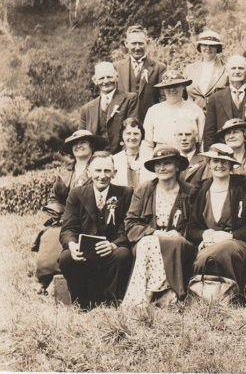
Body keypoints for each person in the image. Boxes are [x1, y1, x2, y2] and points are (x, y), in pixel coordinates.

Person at [33, 130, 108, 293]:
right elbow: (55, 198)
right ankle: (45, 279)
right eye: (75, 144)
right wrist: (59, 213)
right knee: (50, 235)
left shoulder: (100, 168)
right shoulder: (64, 173)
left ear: (92, 146)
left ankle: (59, 281)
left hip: (91, 218)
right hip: (66, 218)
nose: (78, 146)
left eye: (83, 142)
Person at [58, 152, 133, 310]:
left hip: (111, 250)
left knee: (123, 254)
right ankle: (82, 304)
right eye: (97, 171)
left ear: (114, 173)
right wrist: (72, 245)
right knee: (66, 258)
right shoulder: (77, 194)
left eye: (107, 171)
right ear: (89, 172)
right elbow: (68, 228)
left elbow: (128, 227)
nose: (102, 176)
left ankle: (112, 303)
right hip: (85, 251)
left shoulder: (125, 194)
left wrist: (113, 245)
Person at [123, 147, 196, 307]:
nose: (162, 168)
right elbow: (130, 223)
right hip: (147, 243)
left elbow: (197, 224)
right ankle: (161, 295)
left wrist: (180, 234)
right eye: (158, 164)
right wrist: (155, 233)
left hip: (179, 244)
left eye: (167, 163)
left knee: (167, 243)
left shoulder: (190, 192)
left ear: (177, 166)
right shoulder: (144, 190)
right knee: (148, 243)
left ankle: (146, 296)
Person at [186, 144, 246, 294]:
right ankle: (206, 294)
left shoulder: (243, 189)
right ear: (209, 164)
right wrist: (206, 235)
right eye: (215, 161)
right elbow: (191, 228)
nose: (220, 165)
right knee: (205, 253)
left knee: (225, 250)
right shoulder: (200, 191)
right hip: (208, 243)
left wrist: (230, 236)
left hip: (238, 244)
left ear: (231, 165)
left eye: (225, 162)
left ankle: (232, 293)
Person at [203, 55, 246, 157]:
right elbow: (209, 133)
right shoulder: (215, 99)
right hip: (223, 157)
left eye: (241, 68)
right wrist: (212, 157)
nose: (237, 71)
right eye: (233, 68)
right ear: (226, 72)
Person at [141, 70, 205, 162]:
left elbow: (202, 141)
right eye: (168, 87)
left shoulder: (195, 110)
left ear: (183, 87)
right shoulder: (154, 111)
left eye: (176, 86)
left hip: (188, 158)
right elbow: (147, 144)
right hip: (161, 158)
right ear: (163, 89)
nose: (172, 90)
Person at [79, 62, 138, 153]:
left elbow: (133, 130)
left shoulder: (130, 99)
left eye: (109, 77)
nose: (106, 81)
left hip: (122, 156)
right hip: (95, 160)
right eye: (101, 78)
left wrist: (122, 157)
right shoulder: (86, 109)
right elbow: (81, 139)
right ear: (95, 80)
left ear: (116, 77)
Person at [113, 25, 167, 122]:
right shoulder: (116, 67)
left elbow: (164, 99)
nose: (137, 48)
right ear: (126, 44)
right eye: (133, 43)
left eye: (141, 43)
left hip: (150, 122)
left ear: (147, 43)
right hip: (123, 123)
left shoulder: (159, 68)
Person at [202, 119, 246, 190]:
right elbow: (205, 187)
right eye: (228, 133)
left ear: (245, 135)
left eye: (236, 132)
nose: (231, 136)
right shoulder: (215, 162)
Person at [183, 30, 228, 110]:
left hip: (217, 113)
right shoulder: (189, 69)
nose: (208, 48)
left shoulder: (226, 69)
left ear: (218, 48)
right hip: (192, 114)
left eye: (212, 45)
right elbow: (182, 95)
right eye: (204, 45)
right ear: (199, 47)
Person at [111, 117, 146, 189]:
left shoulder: (149, 158)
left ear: (141, 135)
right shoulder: (114, 159)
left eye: (136, 134)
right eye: (128, 133)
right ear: (122, 136)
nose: (132, 137)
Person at [175, 119, 208, 187]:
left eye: (188, 134)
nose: (183, 138)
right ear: (176, 137)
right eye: (180, 134)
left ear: (196, 137)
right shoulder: (171, 161)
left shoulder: (205, 161)